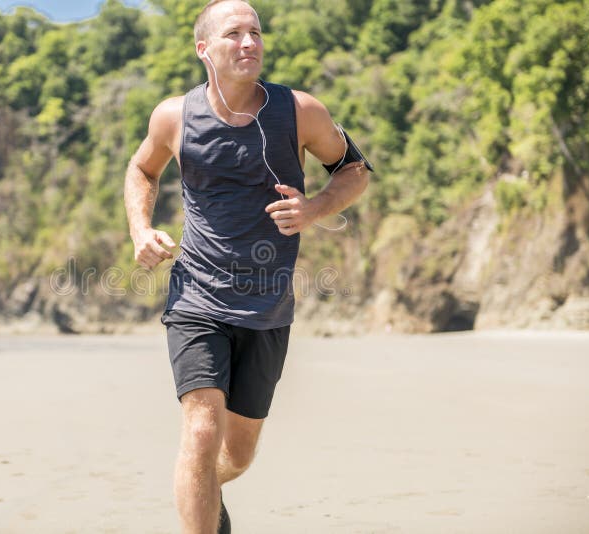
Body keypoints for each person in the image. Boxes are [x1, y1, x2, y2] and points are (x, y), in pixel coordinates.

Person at [123, 1, 370, 531]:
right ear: (203, 49)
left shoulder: (301, 111)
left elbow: (354, 169)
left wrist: (315, 208)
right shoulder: (174, 117)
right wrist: (141, 230)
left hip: (267, 309)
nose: (249, 42)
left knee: (235, 456)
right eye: (233, 33)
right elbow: (142, 169)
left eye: (255, 32)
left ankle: (205, 498)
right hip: (196, 299)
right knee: (201, 429)